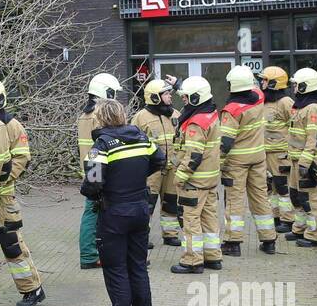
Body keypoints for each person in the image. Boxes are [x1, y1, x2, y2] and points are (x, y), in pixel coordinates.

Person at [81, 98, 164, 306]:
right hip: (140, 210)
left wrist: (96, 189)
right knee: (138, 268)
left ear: (102, 118)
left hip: (115, 214)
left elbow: (93, 183)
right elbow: (160, 160)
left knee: (116, 271)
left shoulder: (102, 145)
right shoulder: (141, 137)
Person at [0, 76, 46, 306]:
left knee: (12, 244)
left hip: (5, 197)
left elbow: (23, 156)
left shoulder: (11, 124)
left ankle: (32, 289)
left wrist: (4, 177)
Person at [219, 65, 278, 257]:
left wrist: (217, 163)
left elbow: (225, 143)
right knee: (260, 197)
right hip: (259, 158)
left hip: (237, 161)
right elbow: (254, 87)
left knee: (235, 201)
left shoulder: (231, 110)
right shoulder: (259, 97)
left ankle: (232, 242)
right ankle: (269, 239)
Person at [169, 76, 224, 274]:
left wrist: (180, 177)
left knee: (190, 221)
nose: (182, 100)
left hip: (193, 181)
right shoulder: (210, 113)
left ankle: (192, 261)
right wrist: (178, 86)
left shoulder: (196, 123)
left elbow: (193, 155)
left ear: (195, 98)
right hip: (209, 180)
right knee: (209, 219)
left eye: (186, 97)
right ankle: (213, 257)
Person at [130, 76, 180, 250]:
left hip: (172, 167)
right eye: (166, 94)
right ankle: (143, 236)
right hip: (151, 169)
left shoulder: (175, 114)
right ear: (155, 97)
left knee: (171, 202)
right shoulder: (140, 118)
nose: (170, 96)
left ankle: (170, 234)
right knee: (147, 203)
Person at [77, 73, 122, 269]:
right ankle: (88, 256)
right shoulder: (99, 116)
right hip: (100, 170)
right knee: (92, 212)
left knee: (93, 211)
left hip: (91, 170)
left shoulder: (84, 116)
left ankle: (93, 252)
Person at [288, 67, 317, 245]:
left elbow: (314, 140)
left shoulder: (314, 109)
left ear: (305, 86)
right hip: (296, 159)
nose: (294, 88)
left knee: (310, 199)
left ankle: (315, 234)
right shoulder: (302, 106)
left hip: (306, 162)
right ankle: (300, 229)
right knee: (296, 196)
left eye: (296, 85)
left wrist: (305, 163)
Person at [260, 66, 296, 234]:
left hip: (281, 154)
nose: (262, 83)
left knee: (282, 187)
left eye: (265, 80)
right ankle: (275, 217)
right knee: (270, 188)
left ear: (274, 83)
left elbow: (296, 127)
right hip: (265, 153)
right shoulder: (265, 102)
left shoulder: (286, 102)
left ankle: (288, 220)